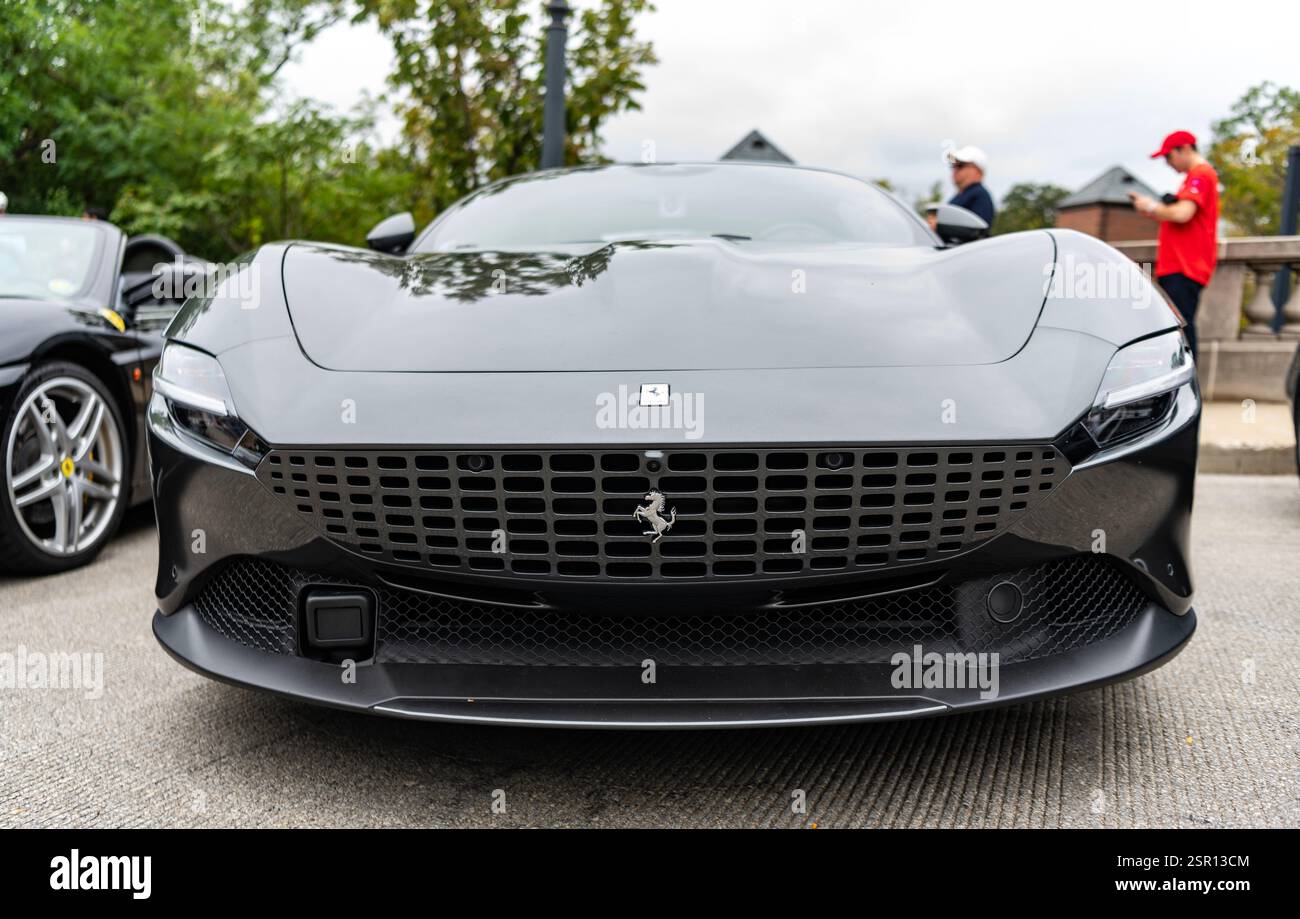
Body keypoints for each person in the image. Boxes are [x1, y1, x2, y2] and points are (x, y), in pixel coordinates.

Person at [1128, 130, 1219, 357]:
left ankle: (1187, 388)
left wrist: (1149, 206)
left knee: (1181, 330)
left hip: (1185, 267)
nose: (1168, 163)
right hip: (1181, 267)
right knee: (1179, 328)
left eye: (1169, 156)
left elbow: (1182, 214)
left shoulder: (1201, 174)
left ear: (1185, 149)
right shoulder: (1195, 177)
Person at [929, 145, 995, 230]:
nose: (955, 170)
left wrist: (939, 226)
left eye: (960, 166)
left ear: (978, 171)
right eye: (953, 166)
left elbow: (977, 231)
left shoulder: (980, 195)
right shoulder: (960, 196)